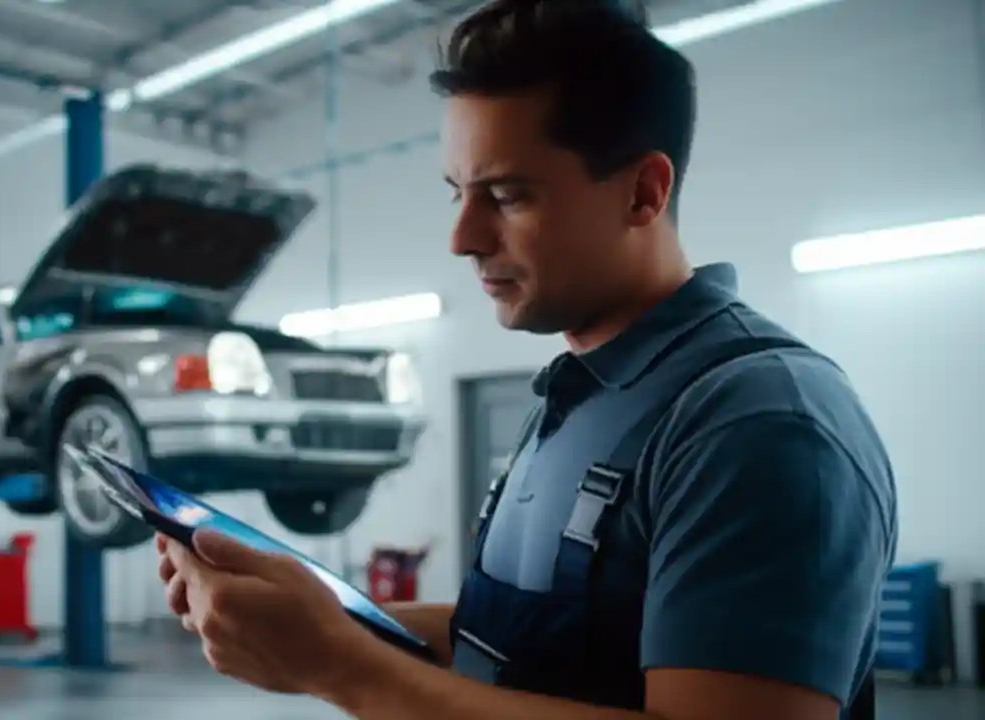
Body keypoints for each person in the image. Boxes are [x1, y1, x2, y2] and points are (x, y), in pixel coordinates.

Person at [154, 1, 898, 718]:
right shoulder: (574, 399)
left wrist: (336, 665)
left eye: (506, 195)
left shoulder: (761, 425)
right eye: (457, 193)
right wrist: (323, 620)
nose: (463, 237)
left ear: (643, 192)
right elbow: (520, 644)